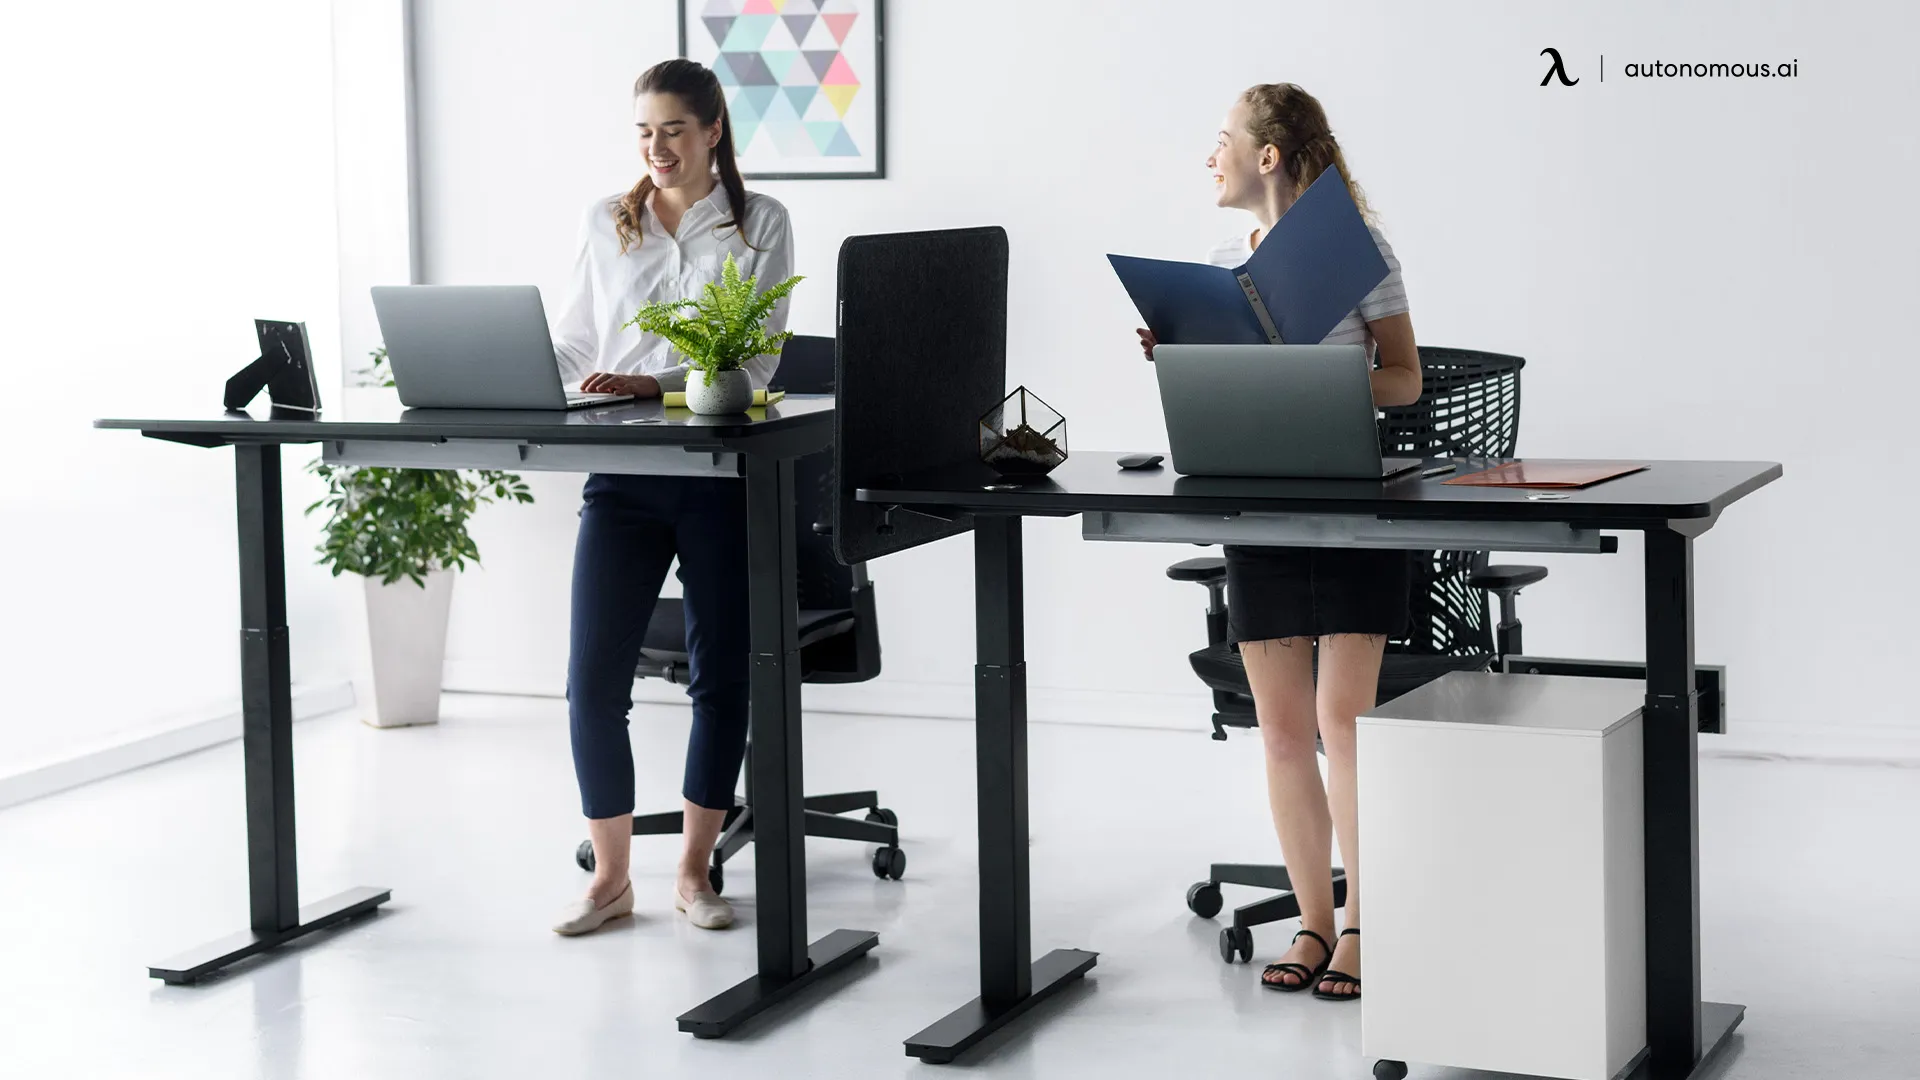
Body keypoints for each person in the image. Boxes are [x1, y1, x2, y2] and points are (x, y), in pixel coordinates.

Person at [1138, 83, 1419, 999]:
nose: (1208, 157)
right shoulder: (1227, 262)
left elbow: (1406, 378)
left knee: (1344, 723)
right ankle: (1312, 922)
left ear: (1267, 155)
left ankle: (1365, 926)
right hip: (1256, 508)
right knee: (1285, 732)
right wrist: (1184, 358)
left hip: (1348, 506)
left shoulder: (1357, 251)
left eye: (1221, 139)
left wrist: (1325, 383)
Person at [548, 58, 794, 936]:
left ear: (714, 130)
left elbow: (758, 363)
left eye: (674, 129)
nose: (656, 147)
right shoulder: (607, 220)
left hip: (719, 477)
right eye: (644, 132)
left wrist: (652, 385)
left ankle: (695, 873)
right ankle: (611, 880)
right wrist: (525, 376)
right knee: (590, 683)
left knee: (720, 678)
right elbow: (578, 344)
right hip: (622, 478)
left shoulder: (760, 222)